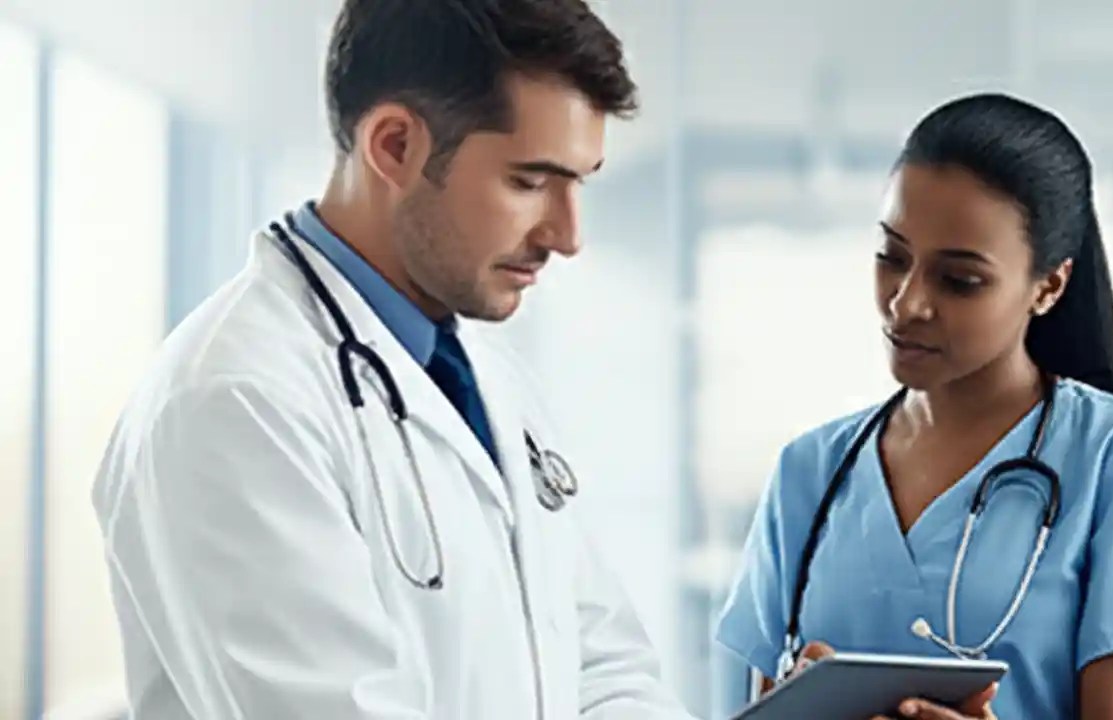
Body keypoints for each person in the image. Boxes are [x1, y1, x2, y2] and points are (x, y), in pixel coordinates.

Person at [91, 1, 696, 717]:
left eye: (579, 182)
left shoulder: (490, 383)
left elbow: (605, 672)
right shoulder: (236, 401)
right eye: (530, 183)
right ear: (395, 146)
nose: (568, 236)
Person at [714, 92, 1113, 719]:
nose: (905, 304)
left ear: (1049, 285)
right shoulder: (809, 472)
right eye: (891, 258)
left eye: (959, 280)